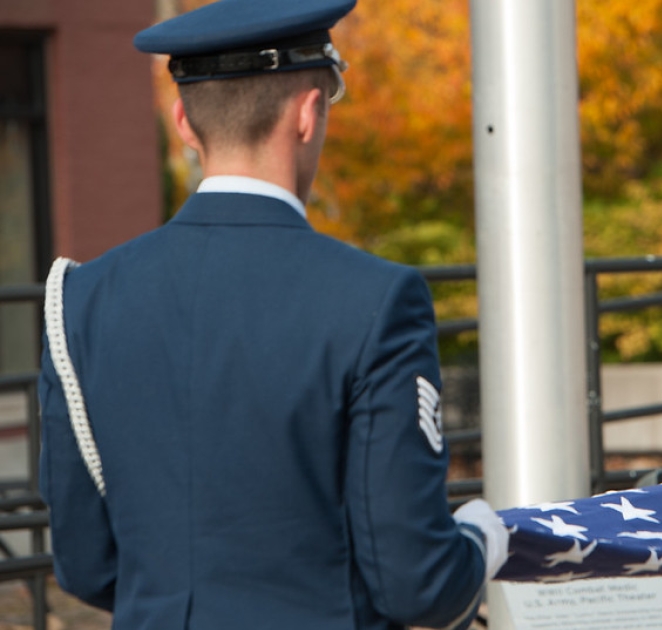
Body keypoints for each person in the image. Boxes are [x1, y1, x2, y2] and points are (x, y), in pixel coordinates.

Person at [37, 0, 507, 628]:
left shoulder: (82, 298)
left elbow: (86, 563)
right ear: (310, 113)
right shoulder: (377, 298)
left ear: (182, 120)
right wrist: (484, 537)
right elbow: (415, 582)